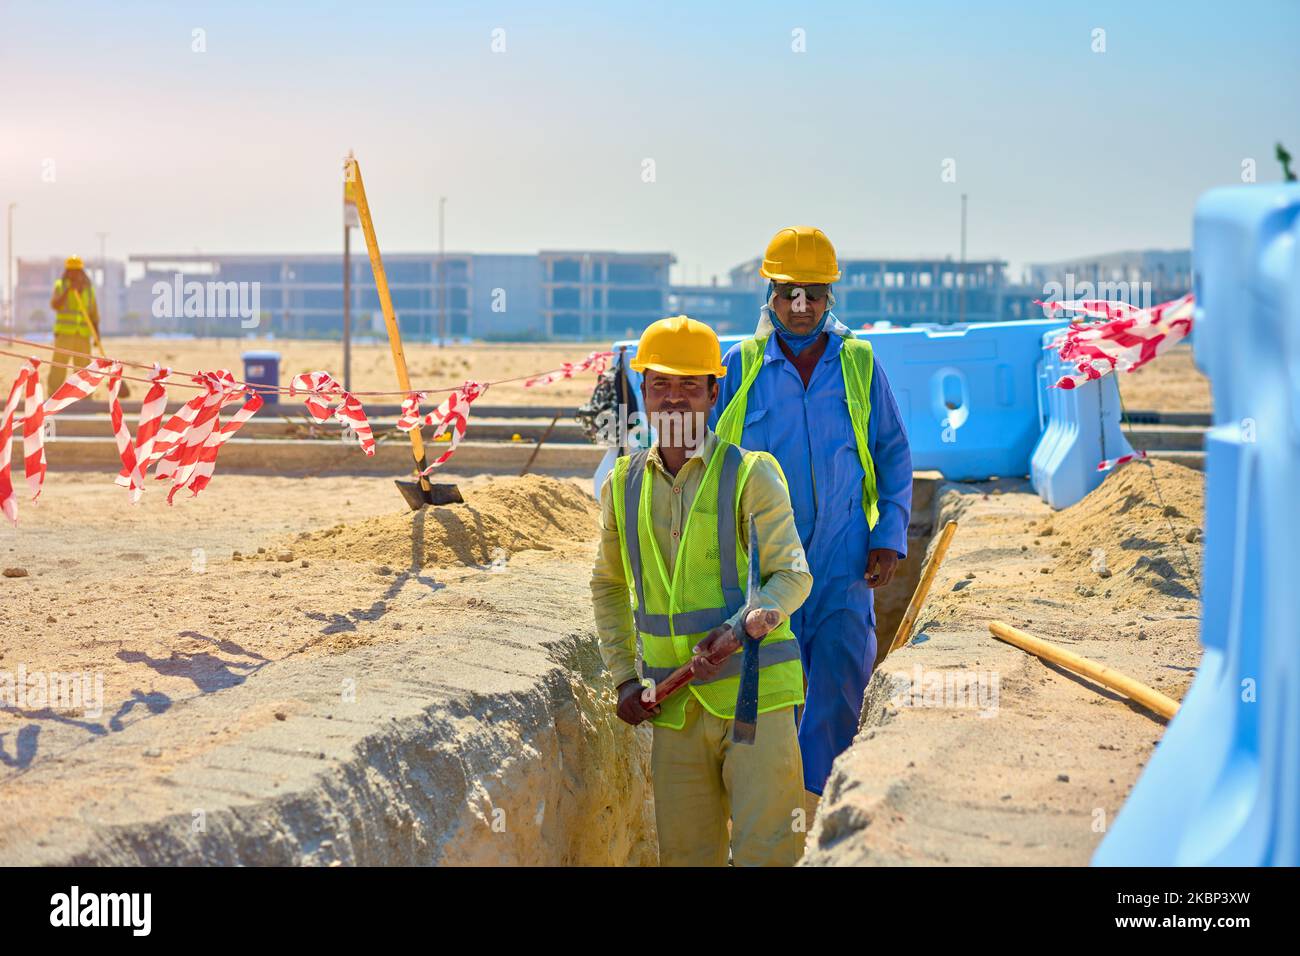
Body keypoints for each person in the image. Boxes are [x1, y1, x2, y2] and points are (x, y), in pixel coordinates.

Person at [590, 314, 813, 866]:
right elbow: (609, 587)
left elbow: (791, 575)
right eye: (661, 384)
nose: (673, 399)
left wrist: (742, 627)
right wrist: (623, 678)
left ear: (714, 392)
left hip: (756, 698)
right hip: (675, 704)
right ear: (643, 390)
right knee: (688, 857)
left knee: (768, 852)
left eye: (690, 385)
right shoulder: (623, 484)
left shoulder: (750, 473)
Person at [710, 226, 913, 808]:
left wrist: (890, 534)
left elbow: (893, 452)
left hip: (845, 560)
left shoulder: (858, 364)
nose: (801, 307)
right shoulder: (741, 366)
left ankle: (826, 816)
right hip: (765, 566)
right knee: (772, 696)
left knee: (841, 688)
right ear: (769, 296)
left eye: (814, 294)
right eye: (788, 293)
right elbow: (708, 461)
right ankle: (774, 815)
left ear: (830, 298)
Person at [47, 255, 100, 394]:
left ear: (82, 272)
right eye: (71, 270)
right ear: (67, 271)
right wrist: (68, 290)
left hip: (82, 336)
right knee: (59, 366)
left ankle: (84, 396)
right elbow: (55, 304)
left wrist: (97, 335)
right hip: (64, 335)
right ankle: (53, 394)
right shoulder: (60, 285)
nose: (74, 273)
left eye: (77, 270)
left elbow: (93, 314)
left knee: (84, 368)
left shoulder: (89, 289)